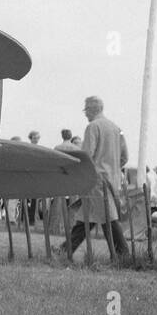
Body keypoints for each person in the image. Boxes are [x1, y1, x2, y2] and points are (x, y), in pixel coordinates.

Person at [62, 96, 128, 260]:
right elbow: (125, 157)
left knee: (108, 217)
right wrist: (112, 167)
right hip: (112, 179)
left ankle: (123, 254)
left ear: (92, 109)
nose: (85, 114)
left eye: (86, 110)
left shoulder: (93, 127)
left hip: (96, 180)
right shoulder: (115, 128)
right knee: (86, 217)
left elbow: (86, 156)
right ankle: (65, 250)